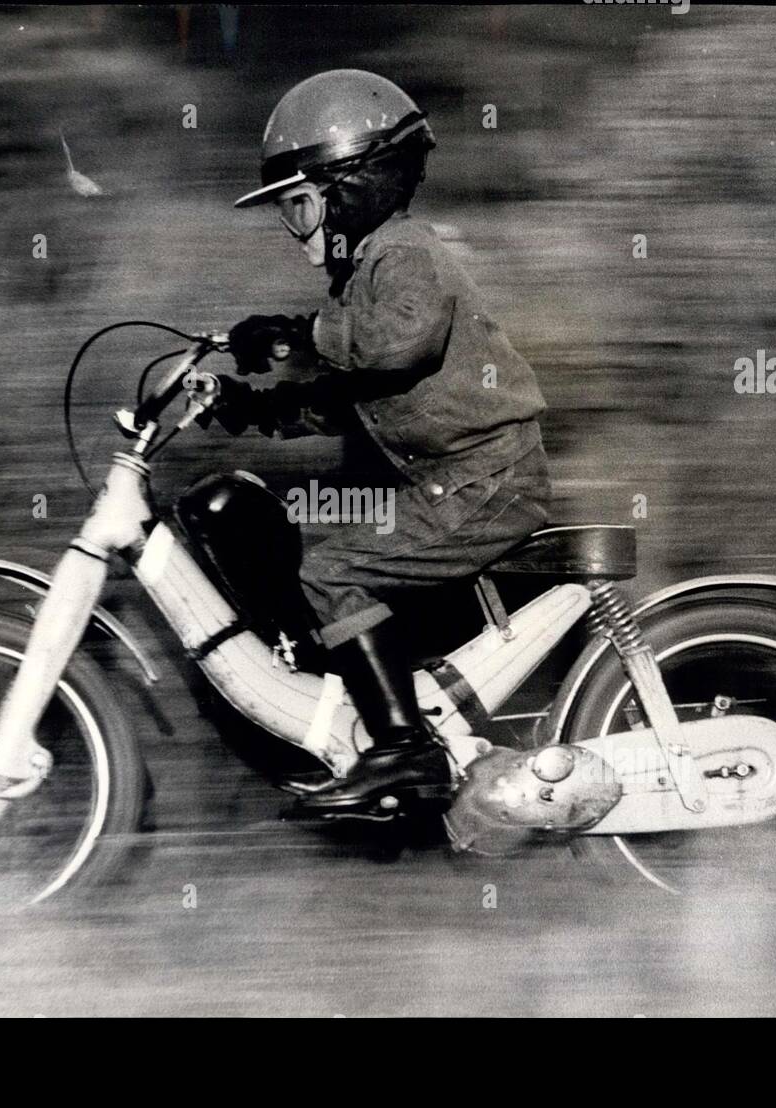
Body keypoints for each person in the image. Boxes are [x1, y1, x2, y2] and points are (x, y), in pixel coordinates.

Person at [206, 69, 551, 813]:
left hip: (487, 481)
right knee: (313, 543)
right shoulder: (359, 278)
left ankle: (404, 752)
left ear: (350, 185)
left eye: (298, 205)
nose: (293, 229)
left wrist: (295, 334)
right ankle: (361, 716)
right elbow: (347, 401)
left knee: (333, 572)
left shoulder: (406, 254)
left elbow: (399, 343)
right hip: (451, 481)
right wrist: (250, 407)